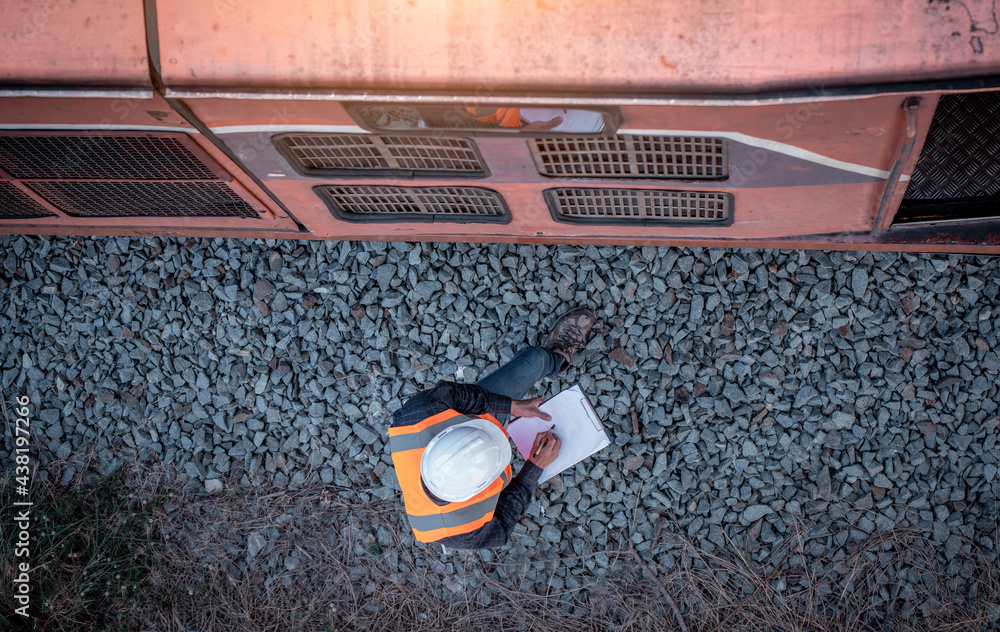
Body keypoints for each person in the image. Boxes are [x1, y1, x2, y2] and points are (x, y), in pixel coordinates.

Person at [387, 307, 596, 549]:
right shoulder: (460, 533)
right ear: (479, 484)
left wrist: (511, 406)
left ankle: (556, 358)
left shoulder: (418, 414)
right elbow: (504, 523)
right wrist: (534, 467)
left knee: (536, 360)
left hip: (471, 412)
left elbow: (460, 394)